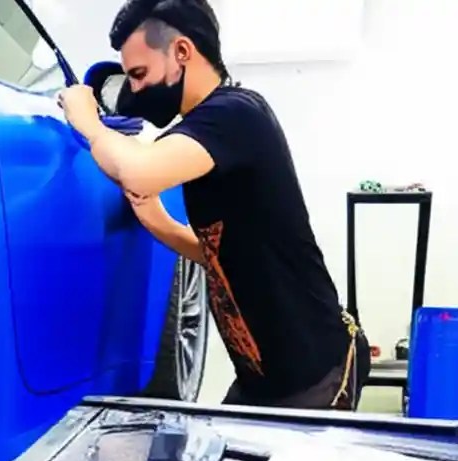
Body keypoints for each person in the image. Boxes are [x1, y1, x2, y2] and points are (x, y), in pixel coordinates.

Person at [57, 0, 371, 411]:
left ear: (182, 52)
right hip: (261, 379)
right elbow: (220, 254)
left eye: (139, 74)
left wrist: (89, 123)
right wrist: (160, 223)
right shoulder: (209, 129)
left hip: (315, 374)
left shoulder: (235, 114)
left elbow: (138, 169)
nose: (133, 91)